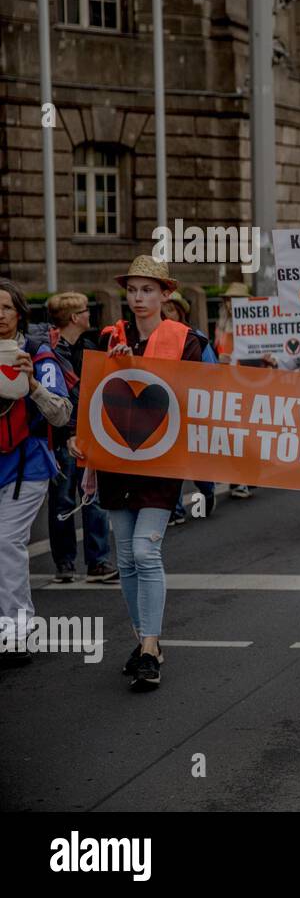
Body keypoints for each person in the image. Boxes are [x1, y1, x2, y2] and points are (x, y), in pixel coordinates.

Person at [75, 256, 207, 690]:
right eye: (132, 290)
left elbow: (194, 396)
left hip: (161, 461)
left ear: (166, 295)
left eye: (147, 290)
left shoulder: (187, 340)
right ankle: (142, 638)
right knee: (128, 558)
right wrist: (81, 439)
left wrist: (138, 367)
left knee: (147, 553)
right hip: (117, 458)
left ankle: (149, 647)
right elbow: (91, 395)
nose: (138, 298)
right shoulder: (108, 335)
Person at [0, 279, 73, 667]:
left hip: (26, 466)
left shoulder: (37, 354)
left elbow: (62, 413)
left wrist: (31, 387)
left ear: (20, 314)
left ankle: (17, 631)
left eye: (6, 308)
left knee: (6, 543)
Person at [42, 291, 116, 584]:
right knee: (62, 500)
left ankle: (97, 562)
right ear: (74, 318)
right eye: (86, 311)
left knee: (93, 497)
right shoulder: (50, 354)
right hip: (62, 439)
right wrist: (67, 433)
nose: (90, 315)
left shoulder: (86, 348)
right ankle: (65, 563)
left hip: (88, 435)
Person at [160, 291, 217, 526]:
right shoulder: (154, 337)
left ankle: (207, 489)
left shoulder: (195, 336)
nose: (166, 316)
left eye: (170, 310)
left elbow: (210, 370)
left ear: (181, 312)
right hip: (166, 406)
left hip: (192, 404)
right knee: (170, 457)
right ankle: (175, 509)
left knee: (195, 457)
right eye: (162, 312)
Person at [213, 282, 255, 500]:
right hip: (226, 382)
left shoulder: (254, 326)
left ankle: (243, 478)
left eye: (235, 300)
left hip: (245, 383)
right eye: (228, 300)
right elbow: (216, 350)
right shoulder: (221, 326)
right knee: (229, 432)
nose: (231, 305)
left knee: (241, 431)